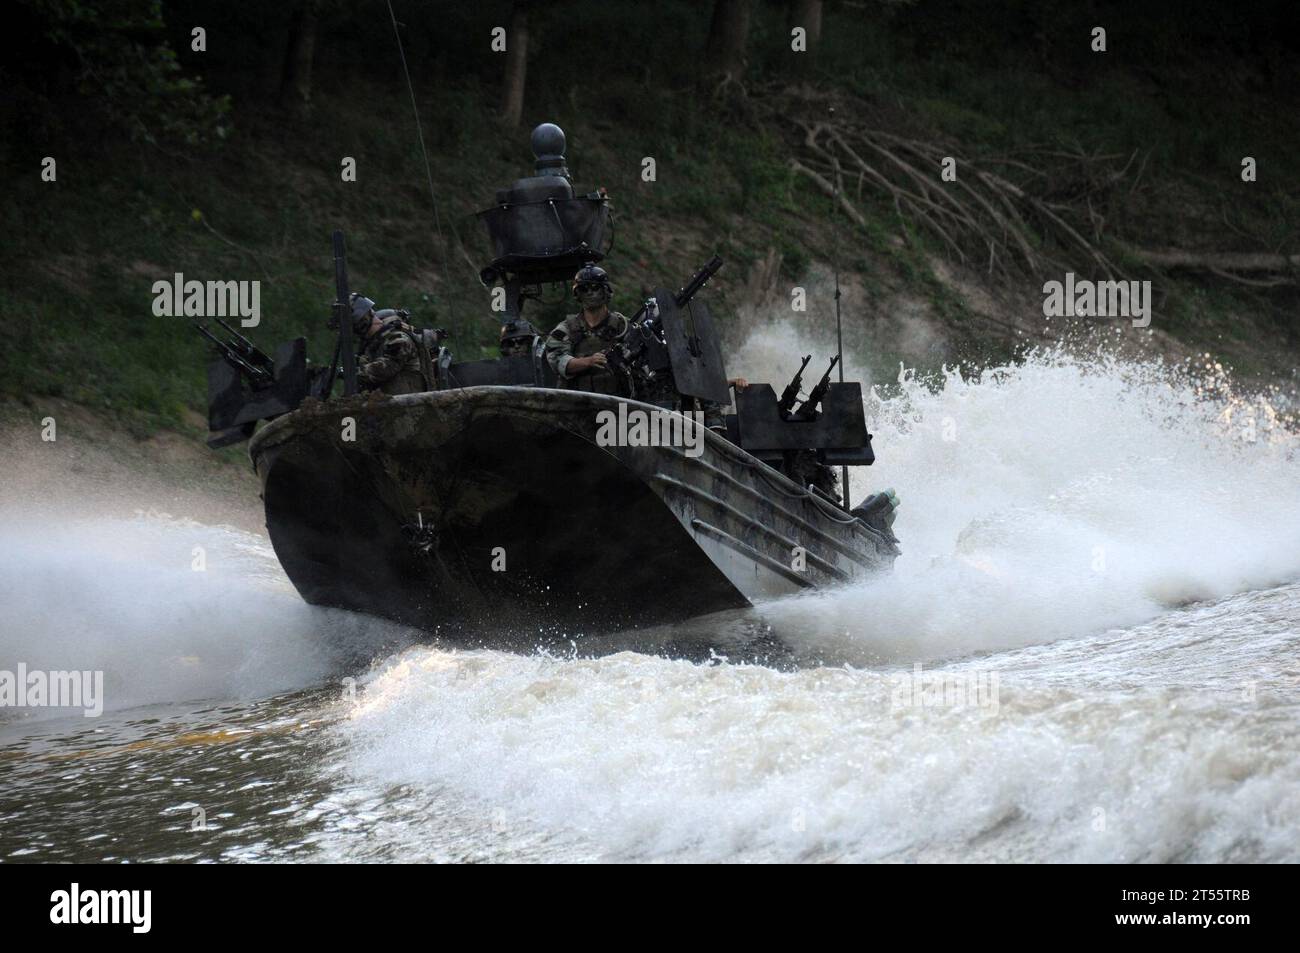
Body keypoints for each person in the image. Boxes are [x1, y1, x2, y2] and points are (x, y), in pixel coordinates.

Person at [544, 265, 630, 395]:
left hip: (617, 403)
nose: (589, 292)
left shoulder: (623, 326)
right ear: (577, 294)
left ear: (605, 290)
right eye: (584, 289)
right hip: (578, 405)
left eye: (595, 287)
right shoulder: (566, 329)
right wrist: (589, 361)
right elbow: (557, 360)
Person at [351, 293, 429, 396]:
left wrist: (352, 373)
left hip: (409, 405)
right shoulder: (372, 344)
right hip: (388, 405)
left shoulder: (398, 338)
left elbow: (387, 368)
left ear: (361, 322)